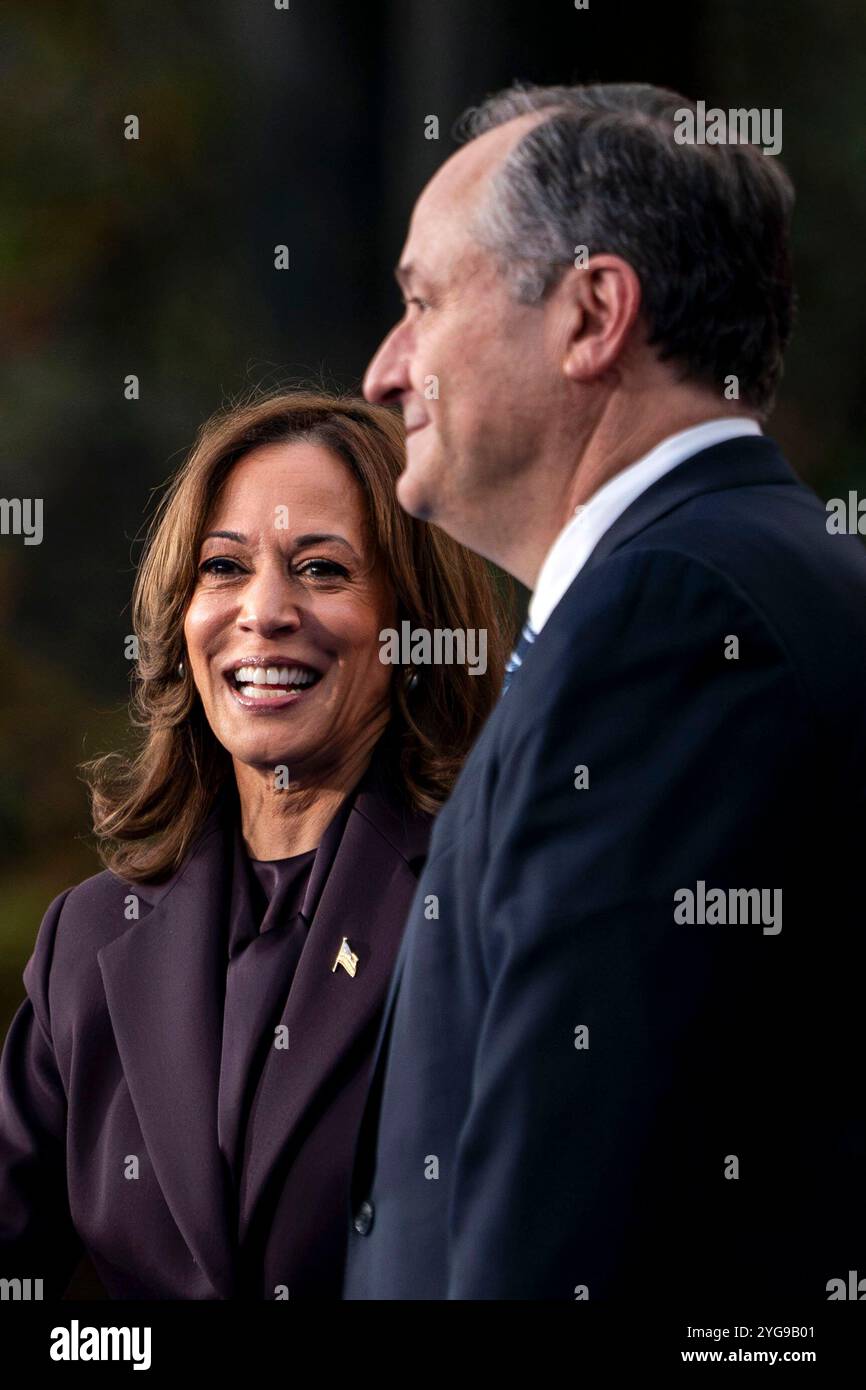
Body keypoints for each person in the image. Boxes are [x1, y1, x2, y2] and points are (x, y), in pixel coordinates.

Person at [343, 82, 866, 1300]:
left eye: (421, 303)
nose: (382, 370)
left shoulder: (672, 614)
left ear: (589, 313)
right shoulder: (745, 577)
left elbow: (567, 1188)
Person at [0, 389, 509, 1299]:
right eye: (224, 567)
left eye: (321, 570)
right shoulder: (86, 937)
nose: (264, 611)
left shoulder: (494, 908)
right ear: (180, 614)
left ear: (412, 625)